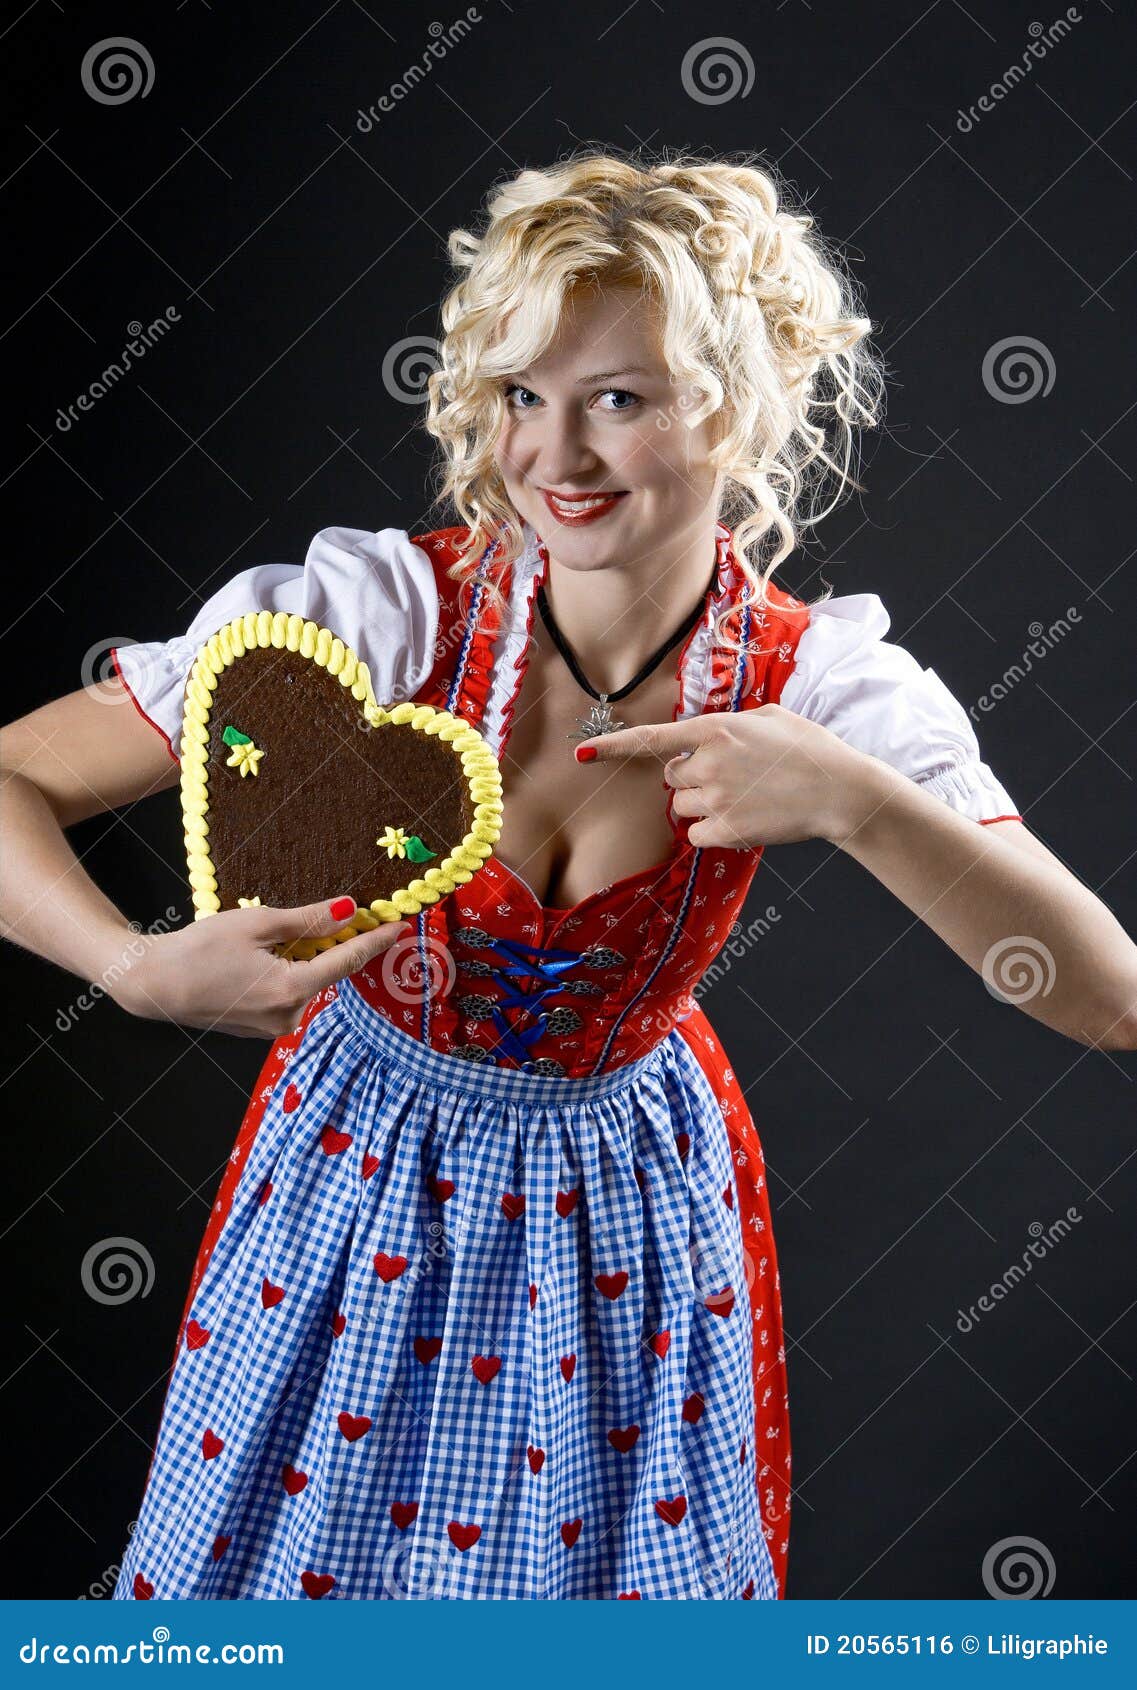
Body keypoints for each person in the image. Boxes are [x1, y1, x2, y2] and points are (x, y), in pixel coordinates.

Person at [2, 151, 1134, 1603]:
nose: (554, 457)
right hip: (350, 1183)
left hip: (628, 1211)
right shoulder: (383, 612)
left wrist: (854, 802)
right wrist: (133, 965)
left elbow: (1108, 998)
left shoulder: (828, 684)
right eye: (522, 396)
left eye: (619, 397)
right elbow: (12, 777)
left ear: (734, 402)